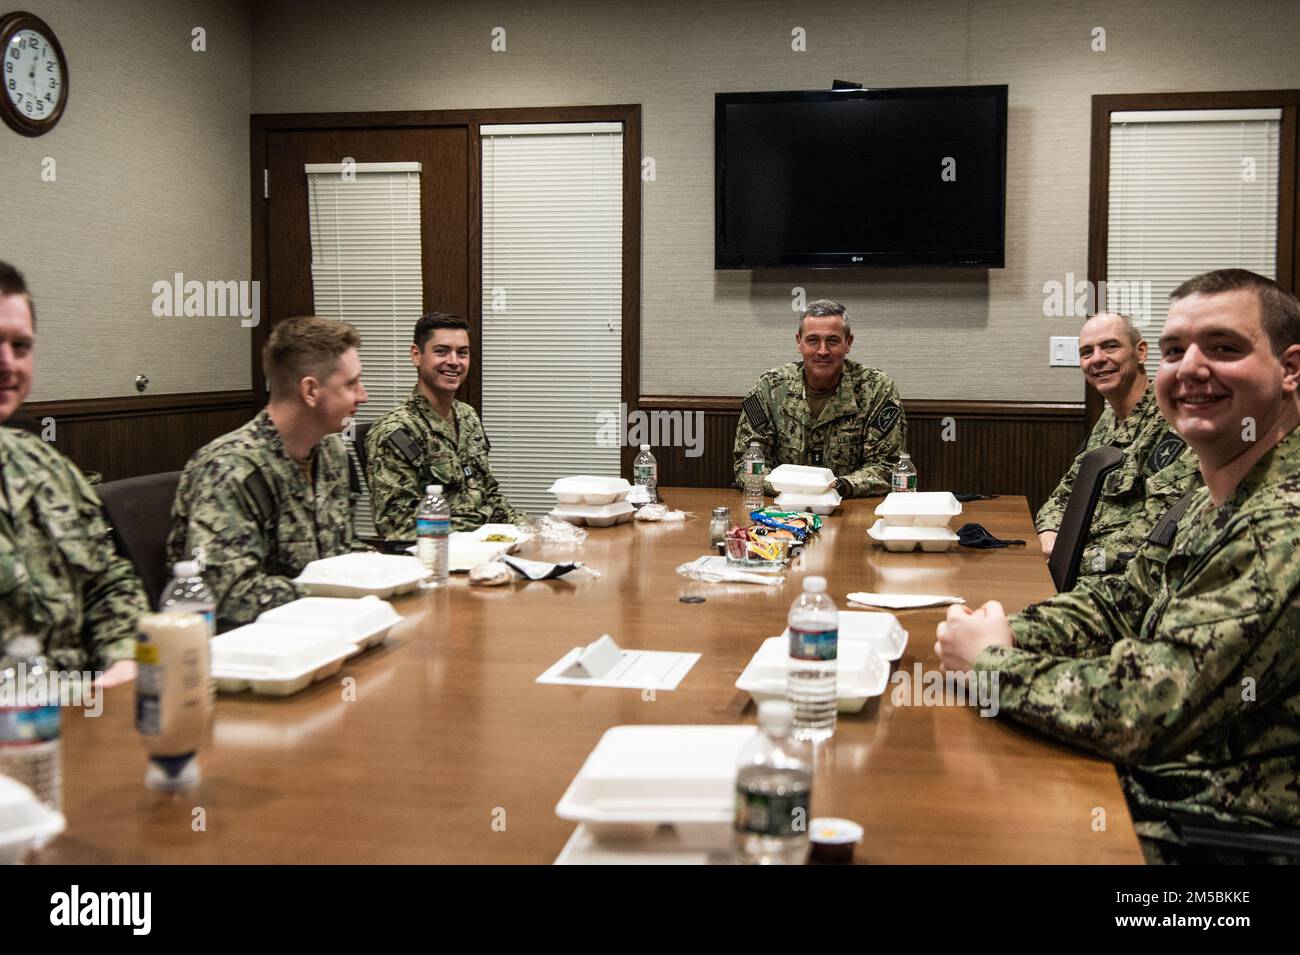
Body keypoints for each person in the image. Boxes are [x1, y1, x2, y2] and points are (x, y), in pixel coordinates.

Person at [936, 269, 1300, 862]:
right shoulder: (1216, 495)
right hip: (1148, 785)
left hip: (1210, 832)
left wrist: (992, 664)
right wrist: (997, 627)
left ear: (1290, 369)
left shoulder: (1281, 526)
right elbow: (1119, 602)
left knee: (960, 837)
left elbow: (1146, 709)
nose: (1192, 369)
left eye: (1225, 348)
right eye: (1176, 350)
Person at [168, 316, 368, 631]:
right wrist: (334, 592)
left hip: (326, 632)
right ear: (311, 390)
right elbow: (228, 599)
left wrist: (394, 571)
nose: (363, 396)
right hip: (252, 651)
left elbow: (340, 552)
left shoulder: (331, 452)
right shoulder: (230, 469)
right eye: (351, 384)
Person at [0, 261, 145, 682]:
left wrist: (123, 660)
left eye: (20, 346)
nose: (8, 363)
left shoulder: (44, 464)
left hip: (79, 713)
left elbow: (107, 579)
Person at [1036, 313, 1201, 576]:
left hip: (1128, 578)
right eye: (1087, 352)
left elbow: (1158, 527)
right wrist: (1048, 532)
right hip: (1075, 564)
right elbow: (1067, 492)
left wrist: (1071, 560)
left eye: (1110, 346)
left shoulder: (1173, 419)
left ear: (1141, 352)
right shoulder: (1108, 419)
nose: (1098, 359)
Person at [366, 312, 526, 536]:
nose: (454, 361)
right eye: (441, 351)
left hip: (485, 548)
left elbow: (488, 494)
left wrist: (528, 528)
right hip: (439, 557)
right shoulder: (397, 431)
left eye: (462, 353)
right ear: (416, 355)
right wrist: (479, 532)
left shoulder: (467, 416)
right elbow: (397, 524)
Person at [732, 299, 905, 497]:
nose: (822, 351)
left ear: (848, 343)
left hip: (849, 507)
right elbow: (748, 463)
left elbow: (887, 466)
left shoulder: (876, 388)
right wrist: (794, 490)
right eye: (813, 340)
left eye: (832, 340)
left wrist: (838, 488)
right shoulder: (771, 387)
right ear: (799, 343)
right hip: (781, 510)